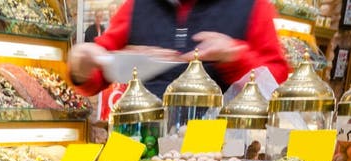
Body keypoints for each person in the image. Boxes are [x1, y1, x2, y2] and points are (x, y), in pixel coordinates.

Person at [68, 0, 289, 98]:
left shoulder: (252, 5)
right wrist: (81, 67)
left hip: (219, 160)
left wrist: (234, 56)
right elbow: (98, 71)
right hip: (145, 148)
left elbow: (276, 82)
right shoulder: (138, 5)